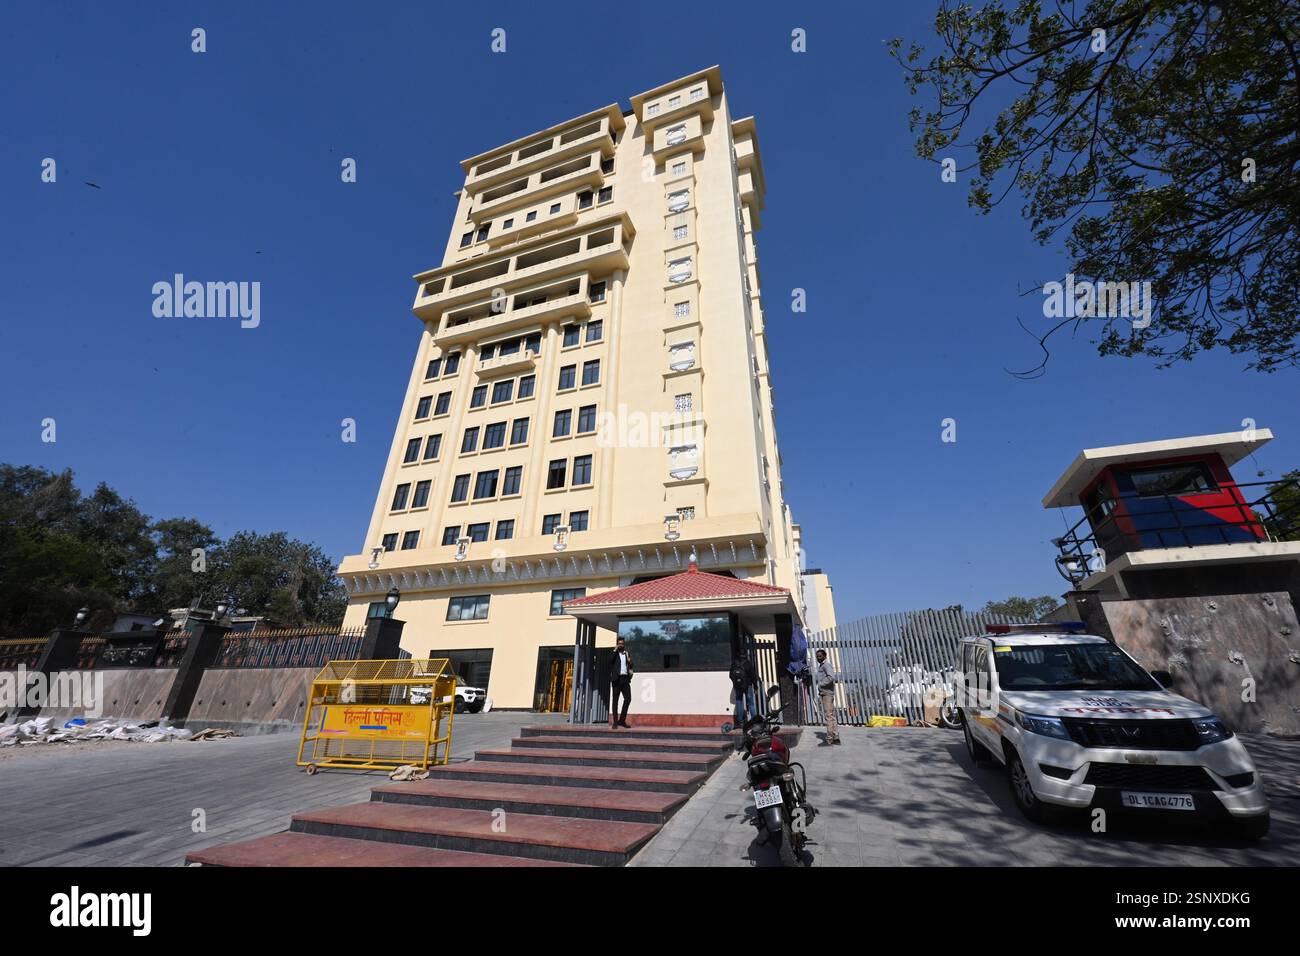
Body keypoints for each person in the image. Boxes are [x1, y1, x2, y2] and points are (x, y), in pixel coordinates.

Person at [813, 649, 842, 745]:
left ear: (825, 656)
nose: (818, 658)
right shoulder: (822, 665)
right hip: (826, 693)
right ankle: (836, 737)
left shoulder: (826, 665)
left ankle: (830, 738)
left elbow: (831, 677)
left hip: (827, 694)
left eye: (820, 656)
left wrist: (820, 684)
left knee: (828, 716)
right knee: (832, 716)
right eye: (817, 656)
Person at [729, 653, 758, 730]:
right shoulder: (748, 663)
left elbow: (730, 675)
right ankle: (754, 722)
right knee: (751, 703)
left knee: (739, 702)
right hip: (747, 686)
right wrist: (755, 686)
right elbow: (753, 676)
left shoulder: (734, 663)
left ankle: (740, 722)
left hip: (738, 687)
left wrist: (736, 682)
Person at [610, 637, 633, 729]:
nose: (621, 645)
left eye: (622, 643)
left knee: (628, 699)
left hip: (625, 679)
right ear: (617, 644)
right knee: (615, 701)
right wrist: (615, 650)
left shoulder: (626, 653)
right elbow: (610, 661)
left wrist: (629, 660)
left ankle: (622, 720)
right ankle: (615, 722)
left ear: (624, 644)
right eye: (619, 643)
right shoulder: (614, 653)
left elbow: (631, 665)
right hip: (616, 679)